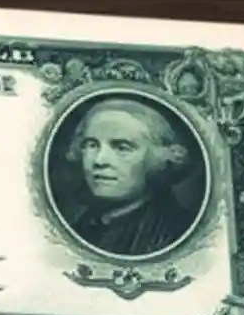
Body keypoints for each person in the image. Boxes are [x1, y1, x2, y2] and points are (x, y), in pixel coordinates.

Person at [59, 97, 198, 257]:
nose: (99, 160)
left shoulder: (178, 231)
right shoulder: (79, 228)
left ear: (159, 158)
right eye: (91, 145)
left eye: (122, 147)